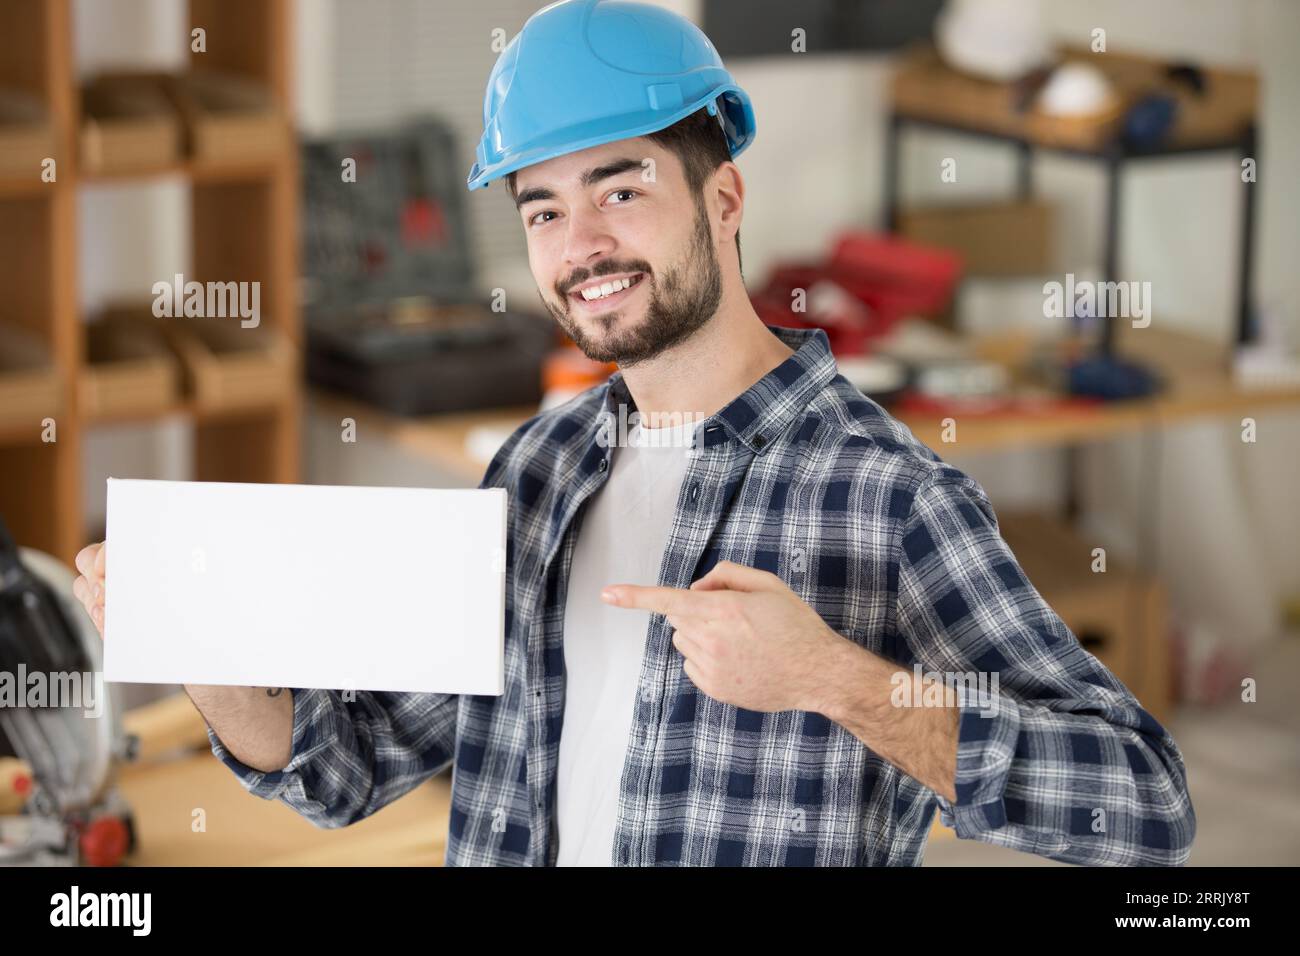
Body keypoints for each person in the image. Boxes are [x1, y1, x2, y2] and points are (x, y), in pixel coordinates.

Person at [73, 0, 1194, 866]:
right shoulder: (534, 472)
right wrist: (202, 643)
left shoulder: (884, 494)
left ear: (723, 199)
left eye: (621, 189)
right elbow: (348, 764)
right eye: (544, 209)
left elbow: (1144, 802)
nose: (583, 244)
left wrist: (835, 678)